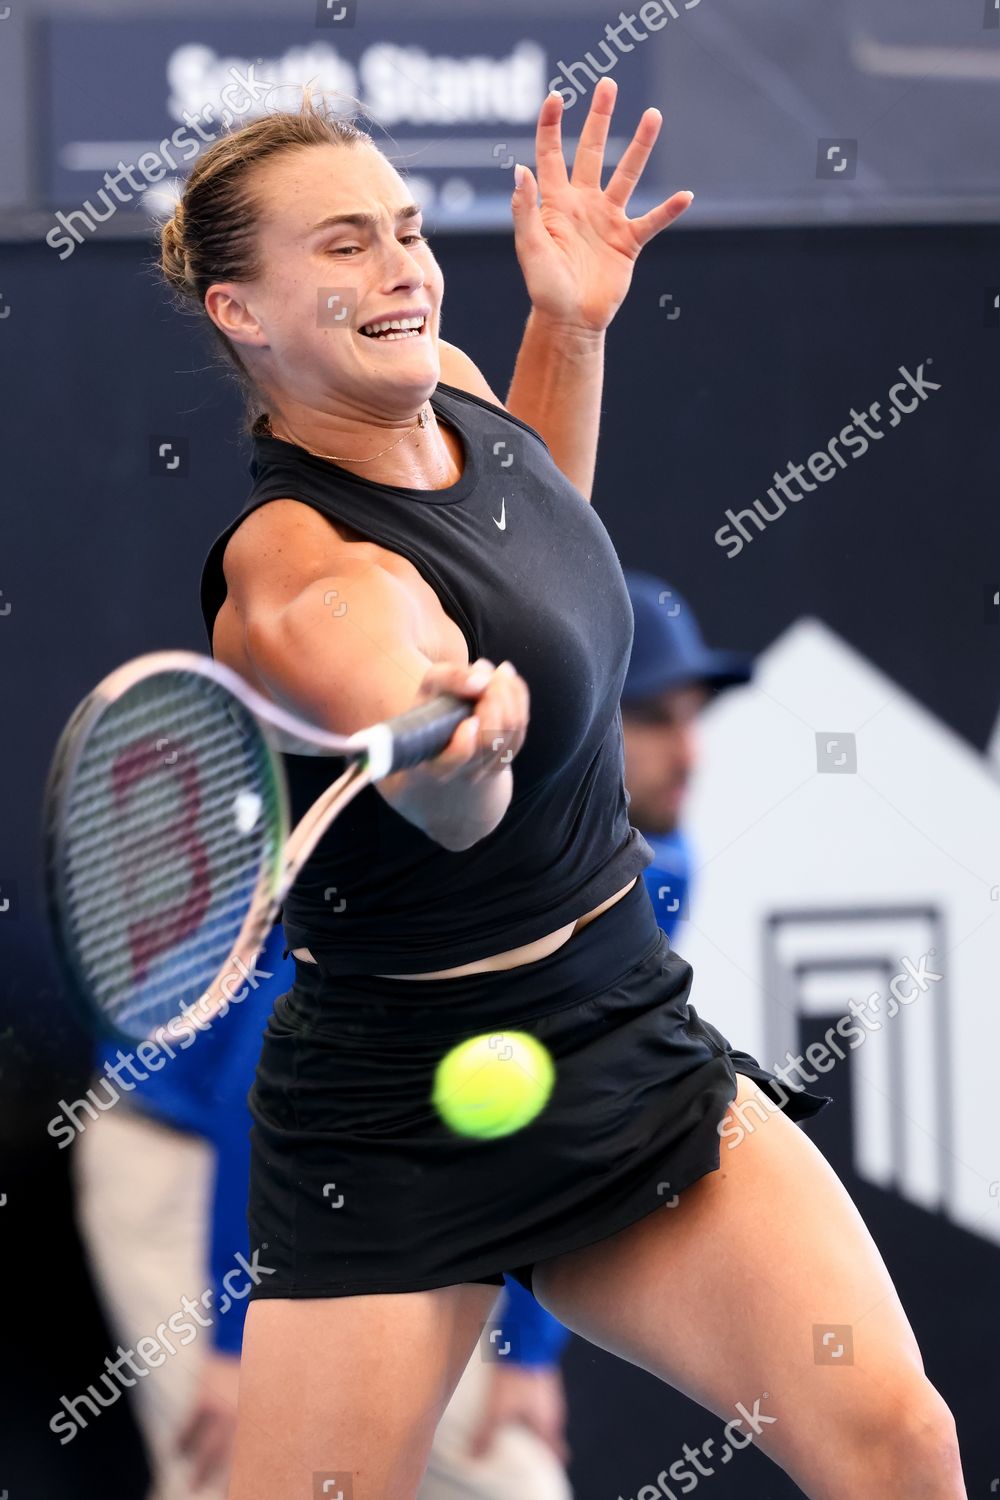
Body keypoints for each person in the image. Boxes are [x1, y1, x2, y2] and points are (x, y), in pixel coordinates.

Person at [156, 77, 964, 1499]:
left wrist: (570, 328)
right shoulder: (295, 581)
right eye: (342, 244)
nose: (401, 264)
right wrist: (464, 744)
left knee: (900, 1443)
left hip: (620, 1037)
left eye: (404, 228)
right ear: (242, 310)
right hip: (392, 1118)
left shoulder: (459, 387)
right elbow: (442, 792)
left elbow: (531, 534)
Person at [74, 923, 573, 1500]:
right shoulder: (378, 870)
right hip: (184, 1152)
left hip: (374, 1172)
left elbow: (573, 1109)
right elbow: (261, 1097)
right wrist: (236, 1347)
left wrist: (529, 1349)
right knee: (230, 1473)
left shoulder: (654, 866)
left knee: (510, 1480)